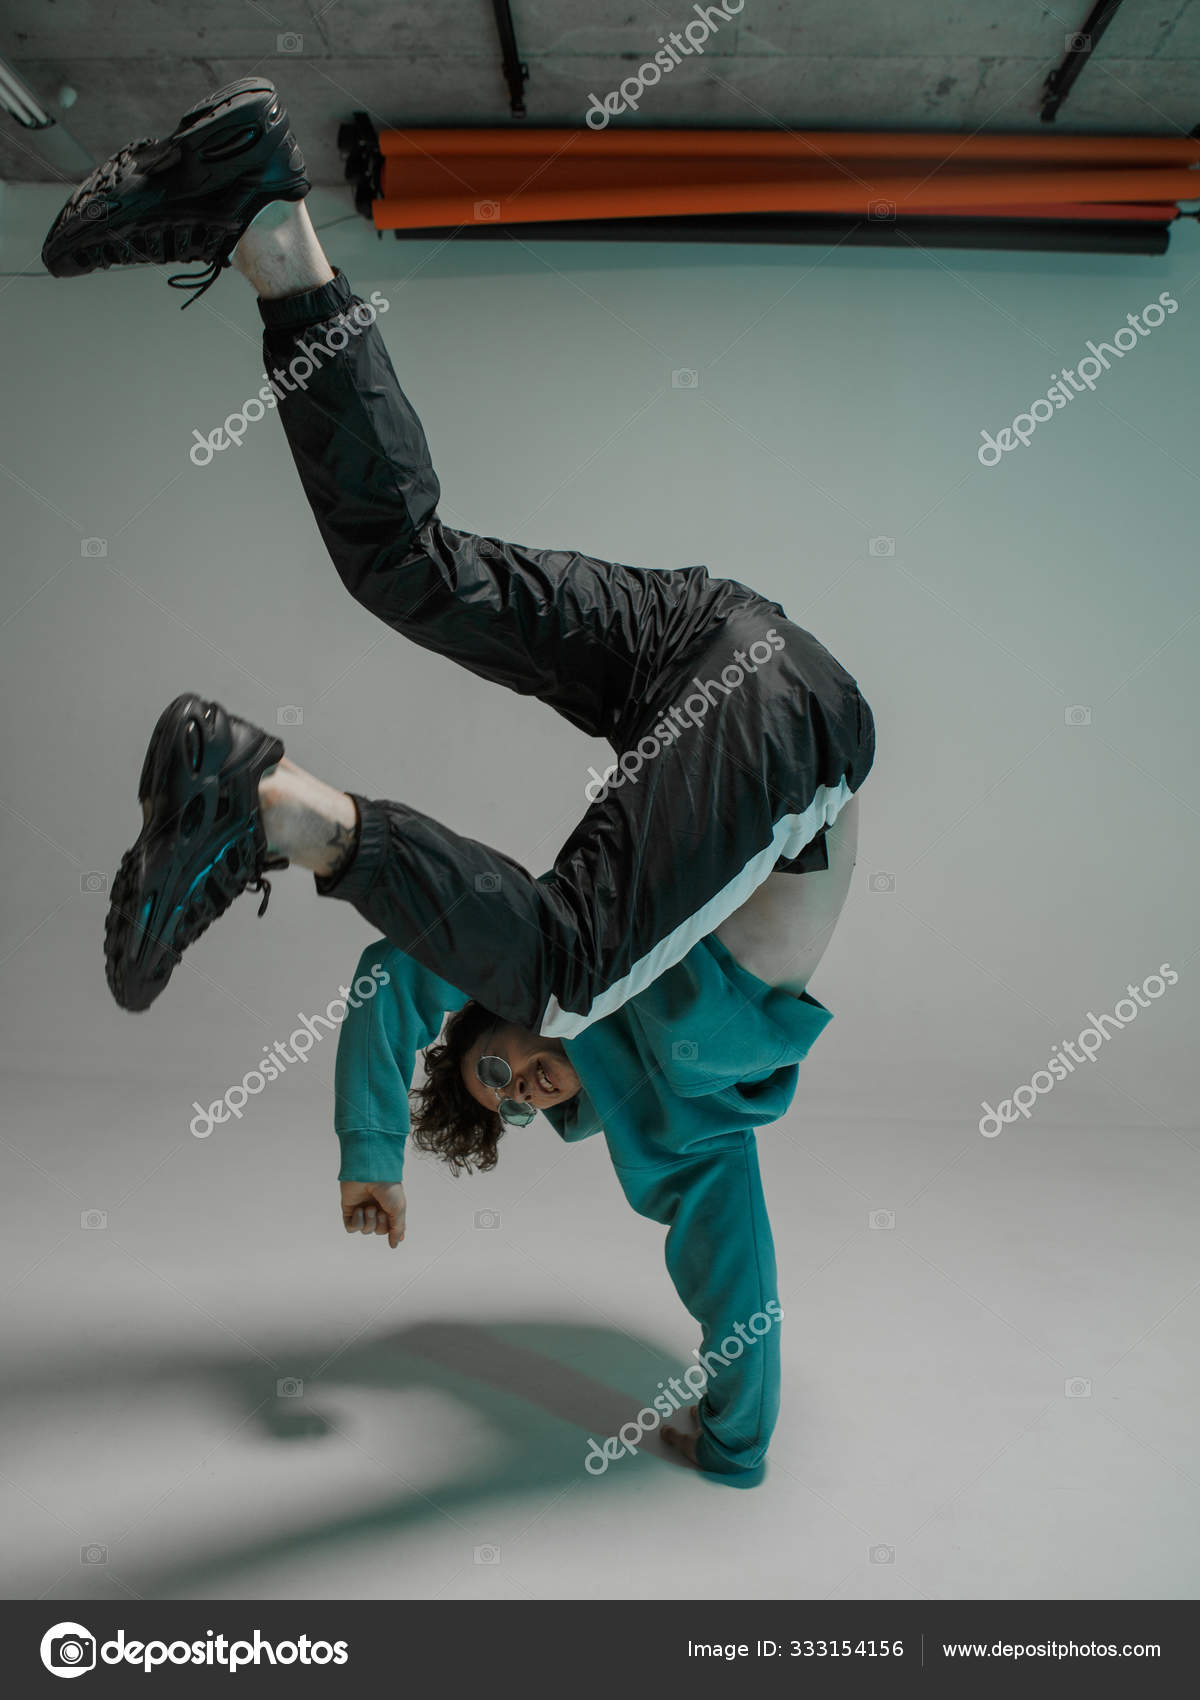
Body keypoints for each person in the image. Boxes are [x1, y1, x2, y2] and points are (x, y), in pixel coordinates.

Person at [43, 79, 876, 1481]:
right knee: (410, 576)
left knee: (423, 602)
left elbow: (393, 978)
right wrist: (736, 1445)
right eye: (525, 1091)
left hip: (716, 655)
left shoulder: (557, 959)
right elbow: (739, 1286)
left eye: (497, 1069)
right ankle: (266, 226)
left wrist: (369, 1152)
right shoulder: (685, 1143)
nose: (532, 1075)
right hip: (770, 711)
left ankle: (270, 799)